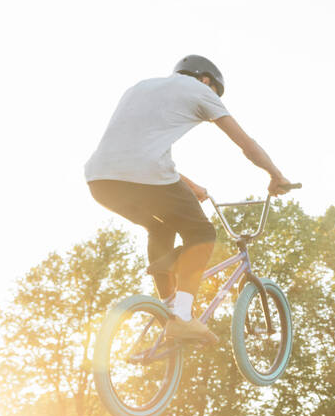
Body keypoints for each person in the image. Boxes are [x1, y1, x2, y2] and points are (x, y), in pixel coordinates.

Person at [84, 55, 295, 345]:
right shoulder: (198, 91)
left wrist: (190, 184)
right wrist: (275, 175)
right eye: (214, 92)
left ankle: (169, 304)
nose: (213, 98)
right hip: (146, 175)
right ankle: (182, 317)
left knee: (160, 227)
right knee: (201, 232)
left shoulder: (140, 87)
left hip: (99, 179)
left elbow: (136, 151)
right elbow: (246, 144)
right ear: (206, 80)